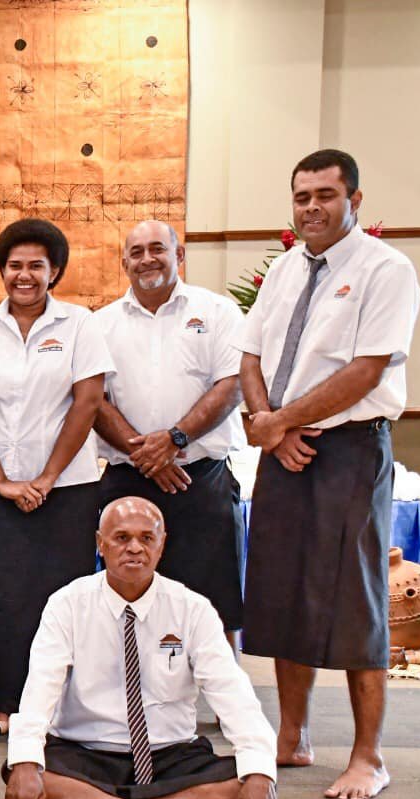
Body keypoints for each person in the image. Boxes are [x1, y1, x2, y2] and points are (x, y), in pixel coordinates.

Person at [237, 149, 420, 799]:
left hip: (348, 452)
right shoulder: (285, 270)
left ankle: (368, 756)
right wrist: (270, 423)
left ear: (355, 200)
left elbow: (367, 369)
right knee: (283, 591)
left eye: (325, 195)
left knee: (354, 601)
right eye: (301, 197)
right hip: (283, 449)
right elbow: (251, 354)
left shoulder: (386, 270)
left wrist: (280, 421)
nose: (311, 207)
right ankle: (292, 733)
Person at [4, 497, 278, 799]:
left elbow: (232, 692)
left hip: (171, 754)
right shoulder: (68, 604)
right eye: (121, 538)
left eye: (147, 538)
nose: (134, 548)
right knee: (23, 772)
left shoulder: (192, 609)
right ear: (100, 544)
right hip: (86, 753)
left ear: (162, 544)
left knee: (250, 779)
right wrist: (26, 761)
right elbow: (41, 687)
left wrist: (258, 770)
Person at [0, 218, 111, 738]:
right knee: (0, 598)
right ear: (1, 272)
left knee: (63, 595)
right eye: (14, 266)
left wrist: (45, 477)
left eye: (36, 266)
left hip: (67, 489)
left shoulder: (80, 324)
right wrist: (0, 480)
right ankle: (6, 704)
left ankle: (61, 707)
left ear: (55, 271)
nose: (24, 275)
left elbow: (87, 402)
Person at [90, 222, 247, 639]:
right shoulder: (100, 324)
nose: (146, 259)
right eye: (136, 252)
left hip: (202, 479)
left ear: (179, 255)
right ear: (124, 262)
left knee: (217, 610)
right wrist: (146, 455)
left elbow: (233, 384)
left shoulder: (218, 312)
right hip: (127, 481)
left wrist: (174, 439)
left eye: (157, 249)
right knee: (124, 605)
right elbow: (93, 399)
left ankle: (224, 706)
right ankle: (130, 703)